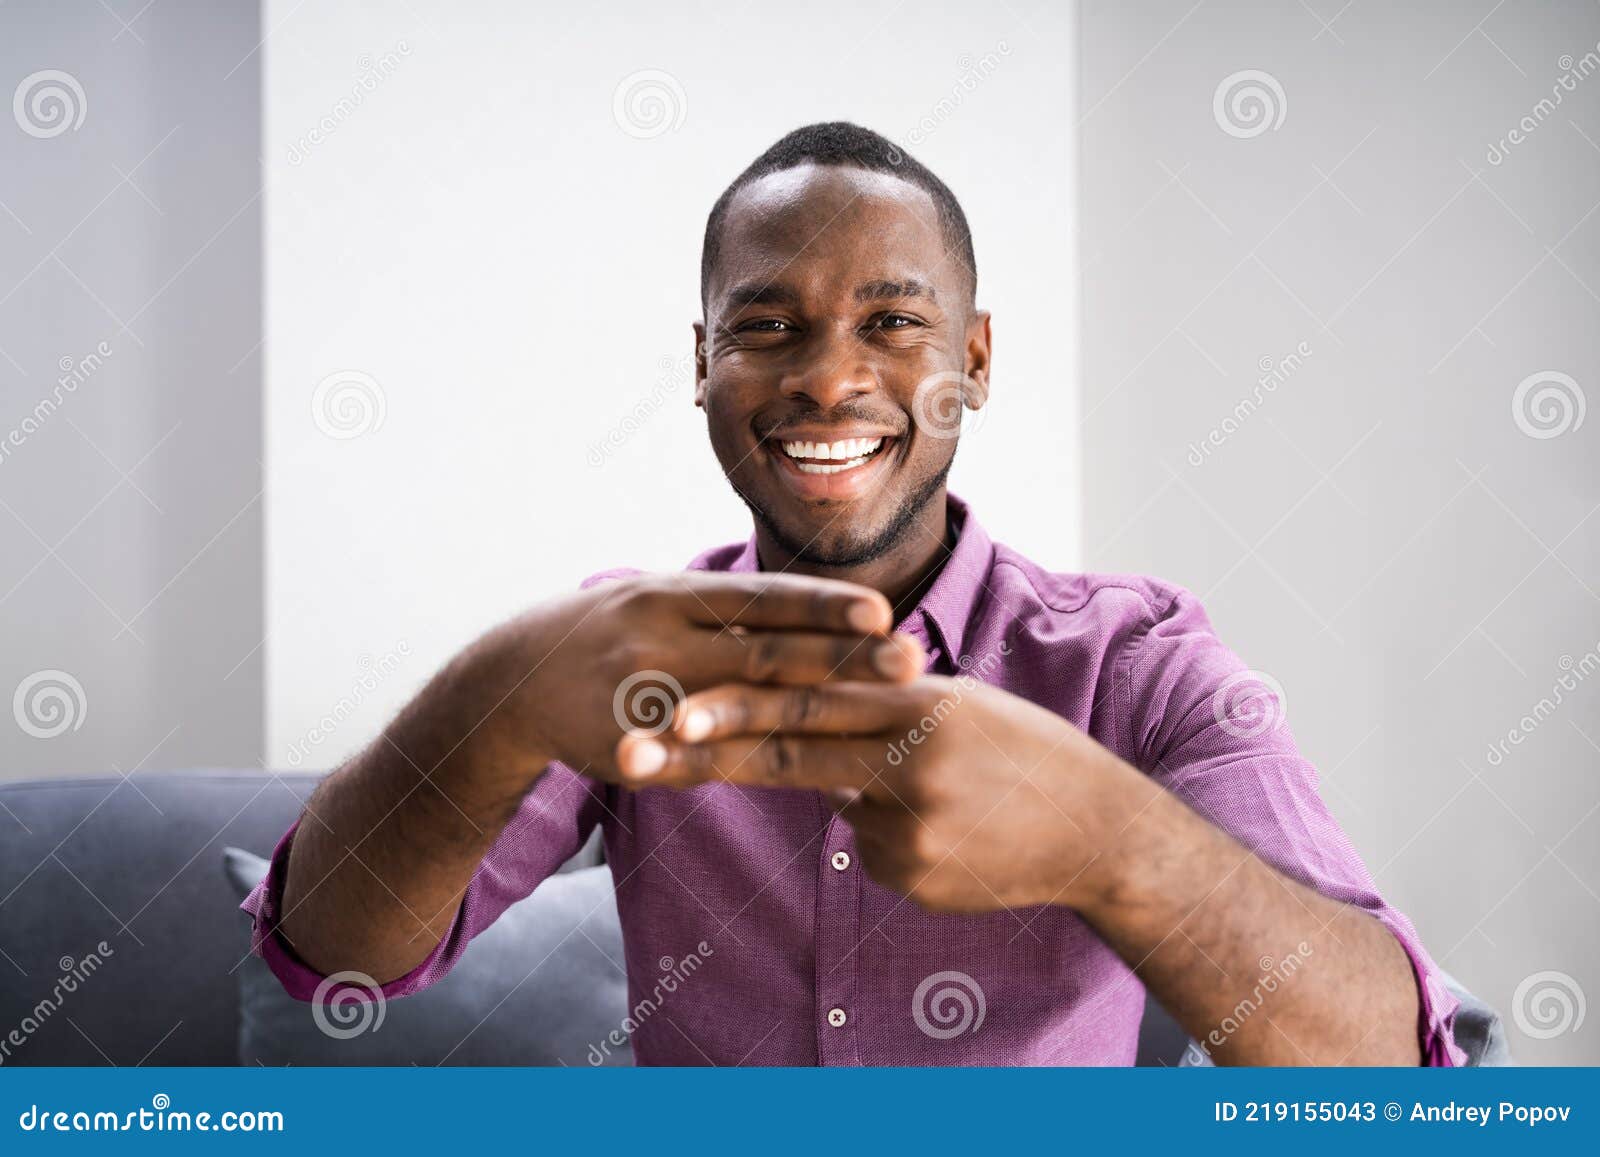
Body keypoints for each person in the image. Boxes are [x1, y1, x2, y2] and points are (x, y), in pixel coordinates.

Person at [243, 122, 1463, 1066]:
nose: (829, 379)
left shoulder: (1136, 664)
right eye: (766, 325)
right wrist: (497, 695)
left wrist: (1106, 841)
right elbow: (329, 956)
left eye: (891, 322)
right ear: (704, 363)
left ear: (971, 361)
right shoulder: (626, 652)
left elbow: (1396, 1073)